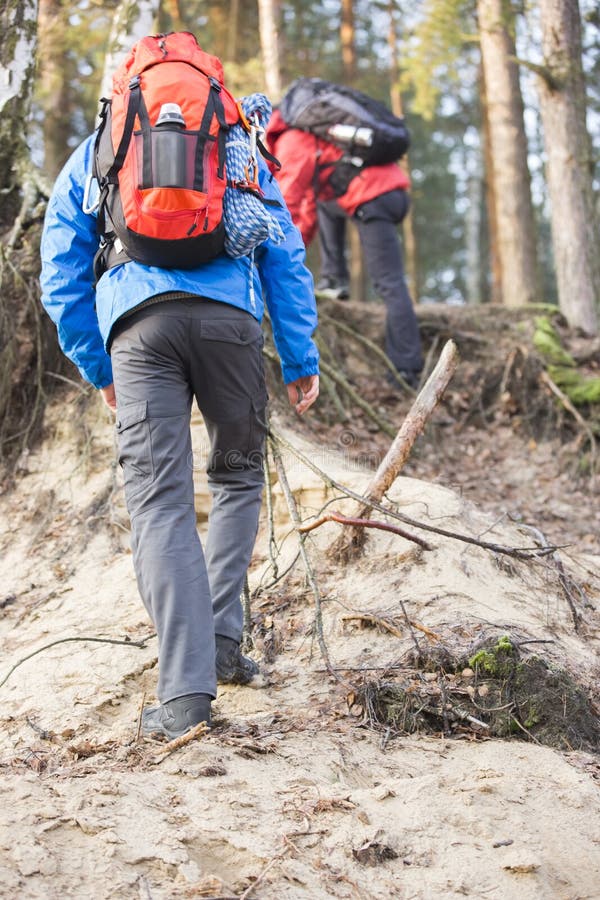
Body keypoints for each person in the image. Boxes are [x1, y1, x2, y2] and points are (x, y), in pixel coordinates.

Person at [39, 109, 319, 741]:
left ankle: (186, 690)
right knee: (238, 480)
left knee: (160, 502)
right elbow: (284, 250)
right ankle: (221, 641)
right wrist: (301, 355)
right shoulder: (238, 144)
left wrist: (98, 363)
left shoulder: (101, 151)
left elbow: (60, 270)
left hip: (139, 334)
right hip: (230, 325)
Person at [266, 106, 423, 388]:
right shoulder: (310, 135)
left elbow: (284, 205)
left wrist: (270, 255)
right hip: (387, 190)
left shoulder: (292, 141)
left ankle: (406, 369)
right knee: (326, 204)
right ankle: (335, 279)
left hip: (374, 195)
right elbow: (311, 209)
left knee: (389, 283)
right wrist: (293, 248)